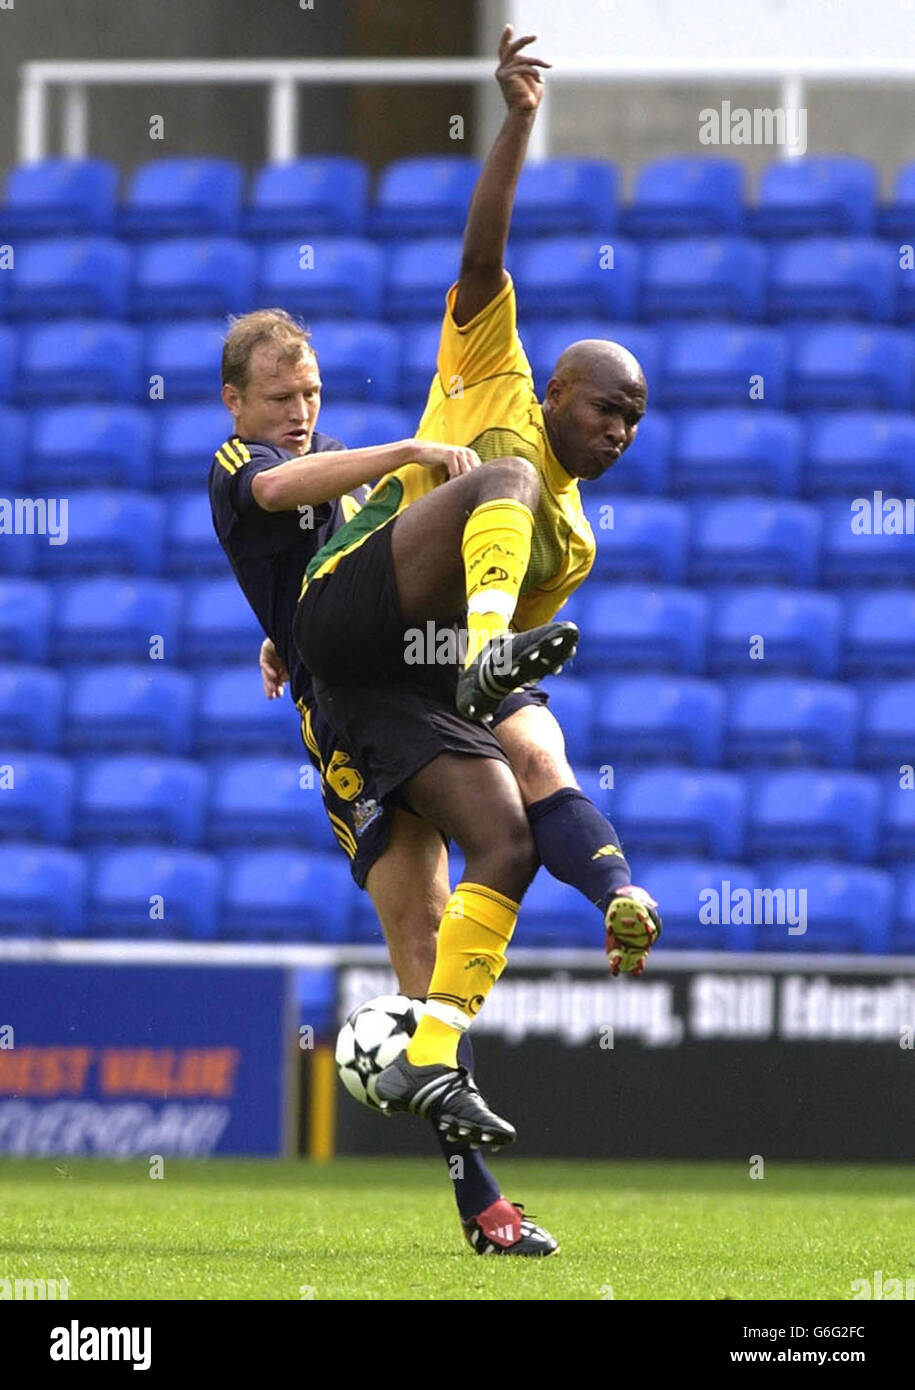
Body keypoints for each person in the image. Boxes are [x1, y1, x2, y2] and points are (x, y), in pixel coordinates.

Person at [291, 26, 660, 1139]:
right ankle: (492, 644)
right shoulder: (492, 371)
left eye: (637, 421)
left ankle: (446, 1040)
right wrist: (519, 120)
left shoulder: (573, 544)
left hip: (423, 670)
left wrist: (601, 876)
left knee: (513, 814)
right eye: (607, 408)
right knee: (498, 479)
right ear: (557, 387)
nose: (621, 431)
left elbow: (513, 724)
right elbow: (482, 250)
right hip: (361, 597)